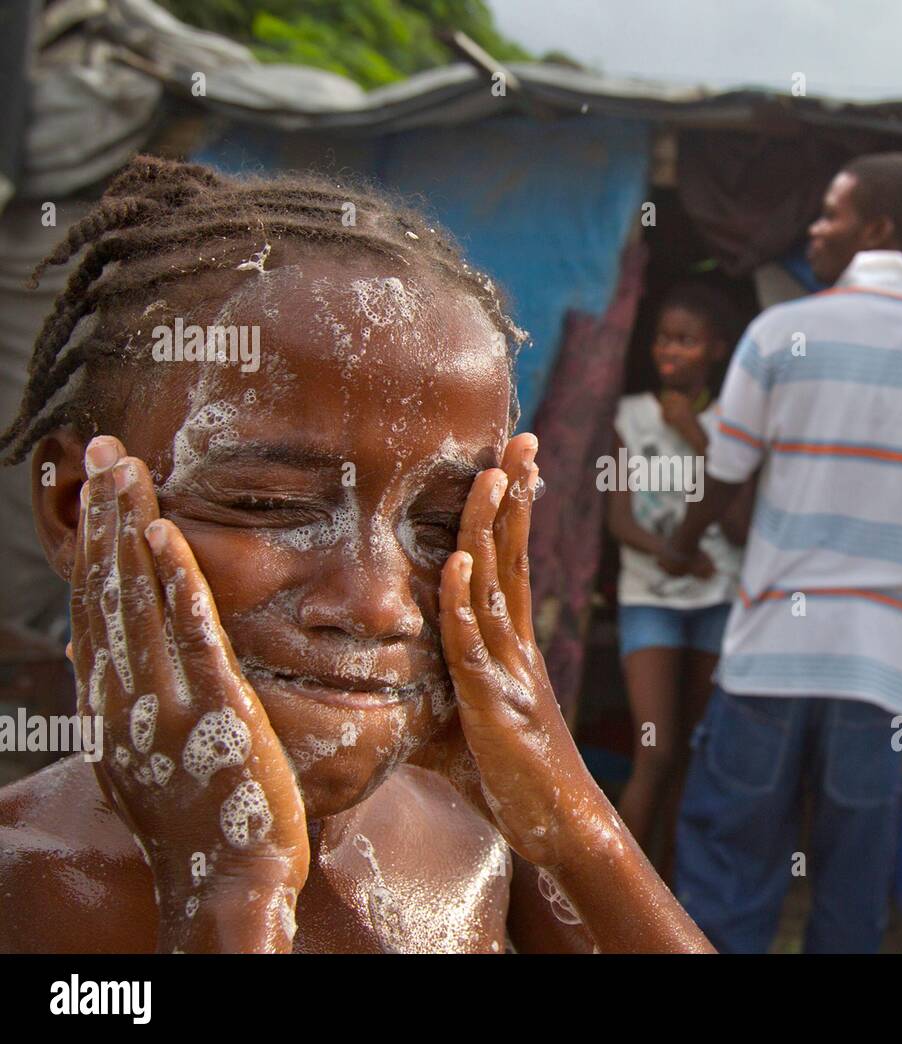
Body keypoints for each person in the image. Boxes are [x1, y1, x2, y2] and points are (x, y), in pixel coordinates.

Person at [0, 155, 713, 954]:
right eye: (271, 506)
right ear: (76, 510)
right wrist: (229, 885)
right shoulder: (24, 890)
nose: (378, 603)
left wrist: (568, 818)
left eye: (444, 526)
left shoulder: (484, 849)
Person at [659, 153, 902, 953]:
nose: (814, 230)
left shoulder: (781, 335)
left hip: (769, 662)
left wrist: (681, 547)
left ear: (878, 229)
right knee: (852, 895)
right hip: (883, 679)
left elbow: (724, 483)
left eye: (829, 214)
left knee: (727, 879)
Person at [605, 284, 751, 873]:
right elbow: (617, 516)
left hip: (719, 600)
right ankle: (617, 894)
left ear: (715, 349)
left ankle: (668, 898)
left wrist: (696, 435)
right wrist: (673, 551)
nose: (671, 350)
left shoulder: (733, 426)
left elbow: (740, 527)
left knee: (692, 754)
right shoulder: (629, 417)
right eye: (665, 338)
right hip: (650, 598)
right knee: (656, 751)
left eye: (687, 340)